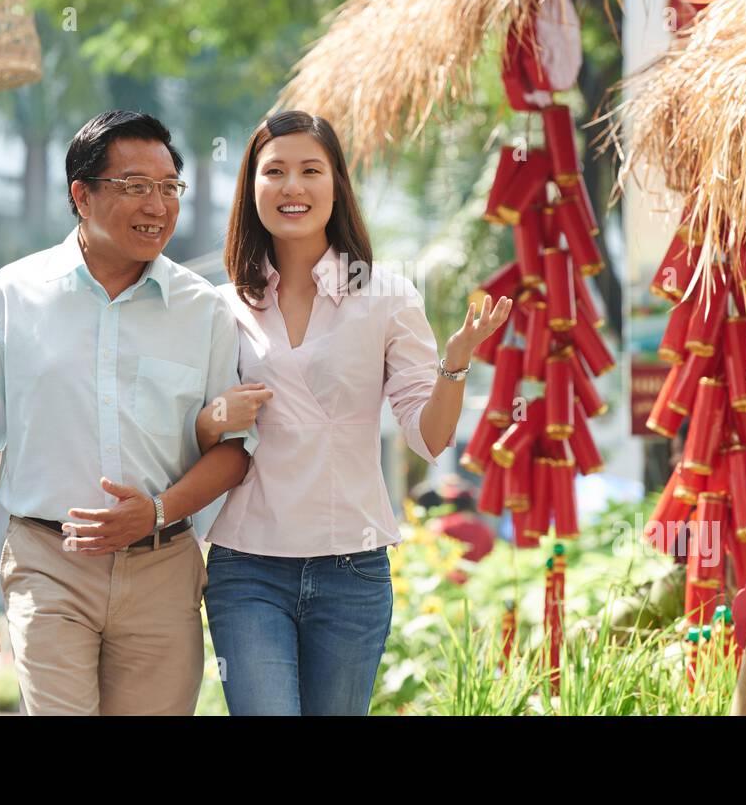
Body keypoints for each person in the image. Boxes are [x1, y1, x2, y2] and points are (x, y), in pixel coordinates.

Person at [0, 110, 257, 715]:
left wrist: (155, 512)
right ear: (81, 195)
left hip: (163, 568)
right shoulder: (7, 297)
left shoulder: (203, 310)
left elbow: (234, 451)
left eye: (169, 187)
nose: (157, 205)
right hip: (48, 564)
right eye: (135, 186)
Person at [197, 110, 511, 715]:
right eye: (274, 172)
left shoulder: (387, 296)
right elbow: (193, 433)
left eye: (310, 170)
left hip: (351, 569)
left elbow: (429, 437)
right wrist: (215, 416)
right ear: (251, 187)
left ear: (337, 184)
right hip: (247, 566)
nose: (292, 186)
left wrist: (453, 365)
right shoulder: (218, 307)